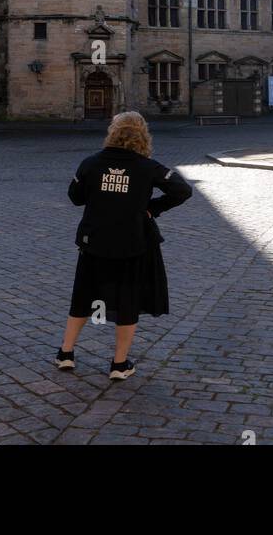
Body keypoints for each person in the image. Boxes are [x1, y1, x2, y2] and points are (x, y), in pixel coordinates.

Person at [56, 110, 192, 381]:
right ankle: (119, 364)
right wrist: (151, 208)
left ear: (113, 133)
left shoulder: (91, 163)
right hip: (132, 243)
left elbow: (75, 198)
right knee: (127, 300)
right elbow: (182, 190)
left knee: (84, 296)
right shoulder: (147, 166)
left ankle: (66, 354)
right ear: (142, 135)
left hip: (94, 241)